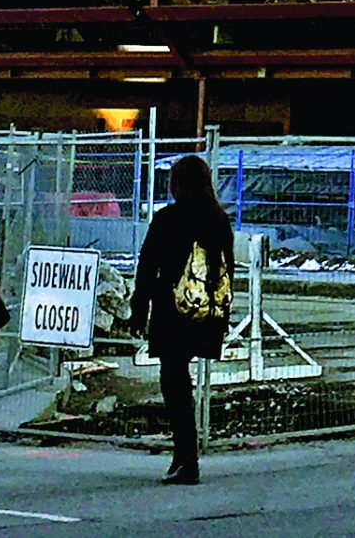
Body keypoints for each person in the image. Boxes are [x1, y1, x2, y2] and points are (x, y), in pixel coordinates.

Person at [130, 155, 235, 486]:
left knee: (173, 381)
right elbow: (225, 270)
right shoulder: (218, 219)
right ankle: (186, 456)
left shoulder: (167, 219)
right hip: (205, 313)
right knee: (181, 380)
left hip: (171, 312)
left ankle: (185, 457)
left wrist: (139, 309)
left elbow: (147, 267)